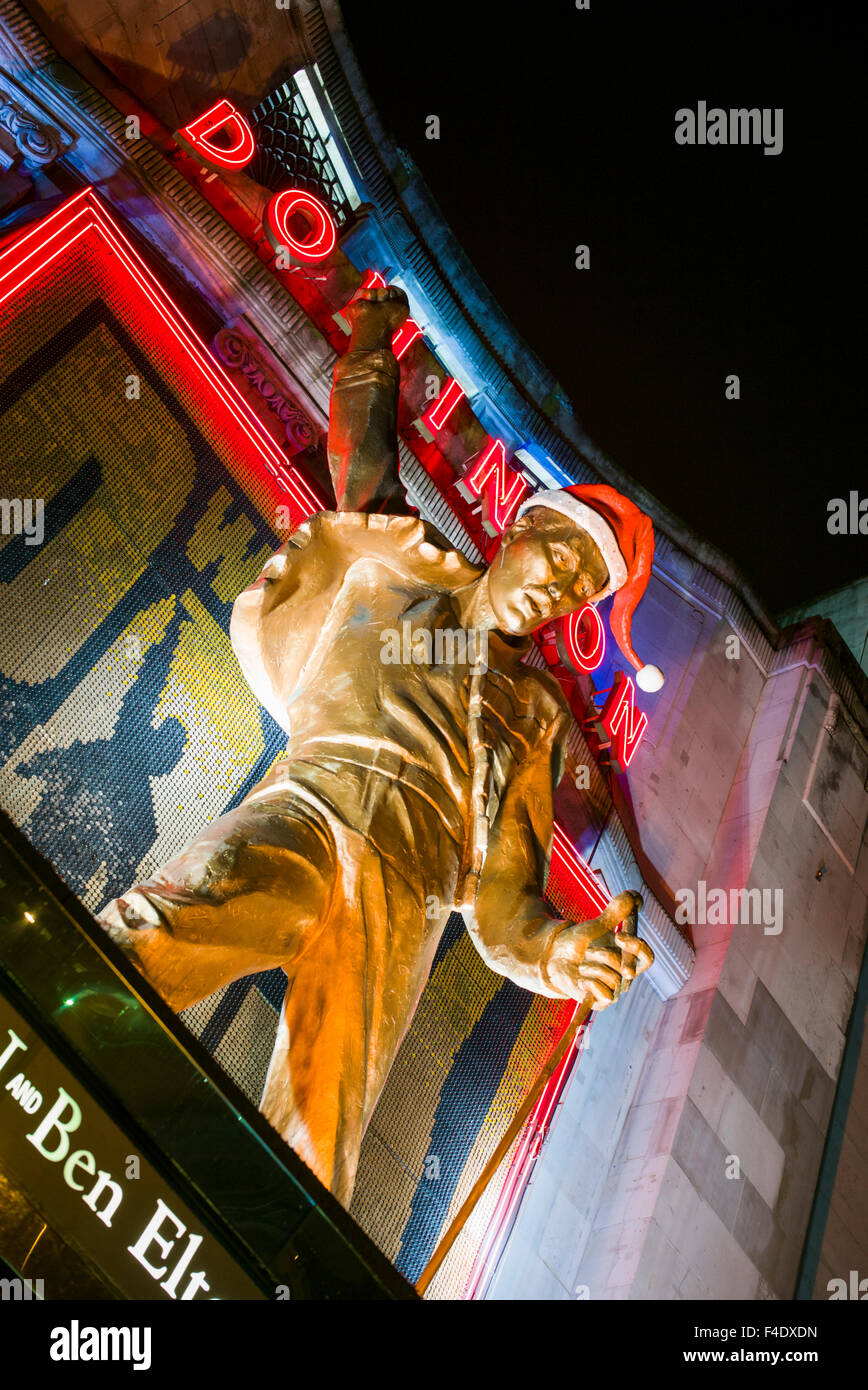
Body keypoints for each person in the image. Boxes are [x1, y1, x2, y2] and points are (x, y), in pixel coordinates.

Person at [100, 287, 657, 1207]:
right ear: (517, 534)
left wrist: (560, 955)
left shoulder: (533, 717)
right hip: (314, 806)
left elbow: (502, 899)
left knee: (318, 1149)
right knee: (166, 925)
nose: (555, 586)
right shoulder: (400, 569)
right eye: (555, 556)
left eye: (574, 589)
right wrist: (371, 324)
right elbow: (360, 438)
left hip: (404, 902)